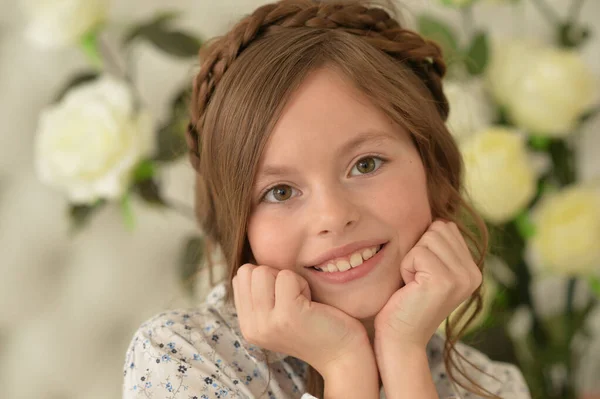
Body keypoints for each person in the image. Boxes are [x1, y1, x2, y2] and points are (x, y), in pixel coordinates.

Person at [122, 0, 531, 398]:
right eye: (280, 192)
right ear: (239, 221)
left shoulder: (493, 387)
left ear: (432, 169)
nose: (333, 216)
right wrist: (344, 365)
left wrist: (404, 357)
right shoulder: (181, 360)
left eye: (366, 164)